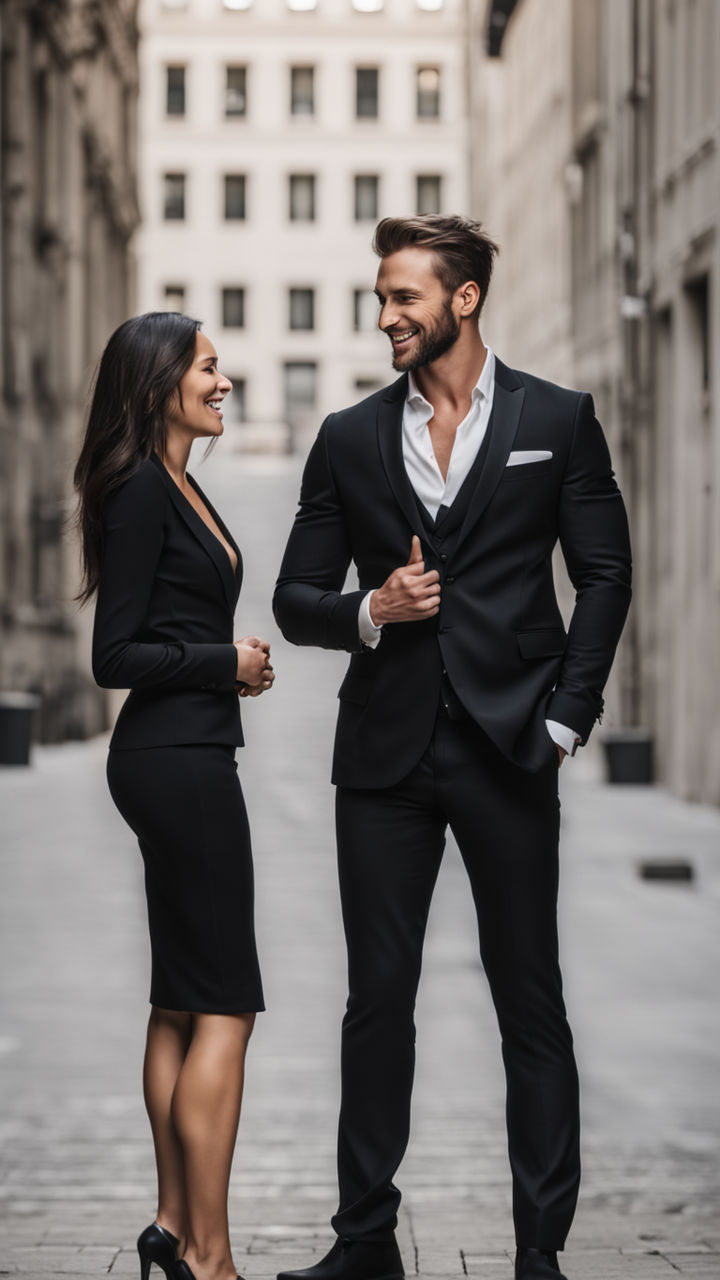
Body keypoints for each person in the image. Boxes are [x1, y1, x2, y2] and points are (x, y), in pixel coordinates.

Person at [272, 215, 632, 1280]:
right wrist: (370, 609)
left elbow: (604, 574)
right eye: (381, 297)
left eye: (403, 297)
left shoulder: (556, 420)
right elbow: (296, 597)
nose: (385, 315)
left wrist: (568, 714)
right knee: (377, 995)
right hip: (383, 756)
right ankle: (364, 1239)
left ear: (463, 298)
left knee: (530, 993)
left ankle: (538, 1251)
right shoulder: (347, 436)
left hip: (511, 745)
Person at [74, 312, 274, 1280]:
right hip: (176, 761)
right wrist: (221, 660)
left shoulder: (176, 484)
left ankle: (169, 1225)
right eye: (208, 366)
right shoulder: (141, 494)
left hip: (186, 748)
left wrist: (226, 666)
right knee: (227, 1002)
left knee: (181, 1001)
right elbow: (114, 654)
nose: (223, 379)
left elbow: (169, 625)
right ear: (160, 384)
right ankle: (212, 1255)